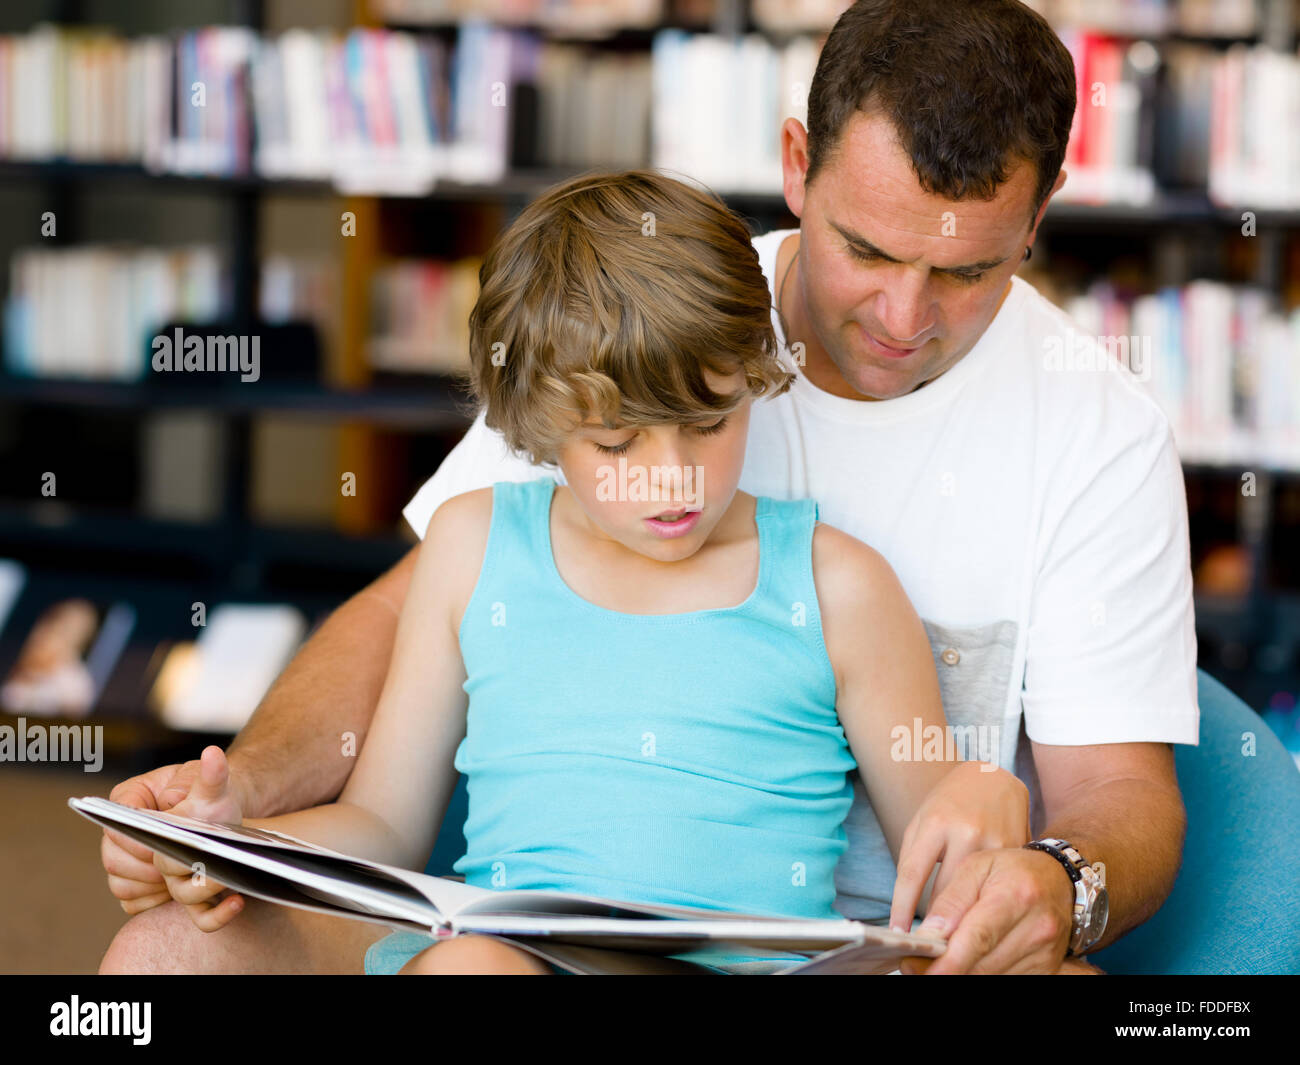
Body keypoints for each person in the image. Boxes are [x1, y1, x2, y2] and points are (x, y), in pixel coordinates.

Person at [101, 0, 1196, 976]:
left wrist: (1042, 874)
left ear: (1041, 215)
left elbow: (1111, 795)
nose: (902, 319)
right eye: (864, 248)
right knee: (183, 953)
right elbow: (402, 629)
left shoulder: (1089, 437)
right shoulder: (658, 321)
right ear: (794, 164)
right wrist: (237, 809)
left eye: (966, 272)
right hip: (508, 933)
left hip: (835, 943)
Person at [141, 168, 1030, 975]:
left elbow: (939, 845)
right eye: (615, 443)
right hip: (516, 962)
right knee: (452, 970)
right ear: (539, 427)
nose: (672, 474)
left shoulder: (837, 585)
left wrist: (986, 801)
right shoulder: (472, 546)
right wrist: (237, 845)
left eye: (711, 422)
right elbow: (383, 824)